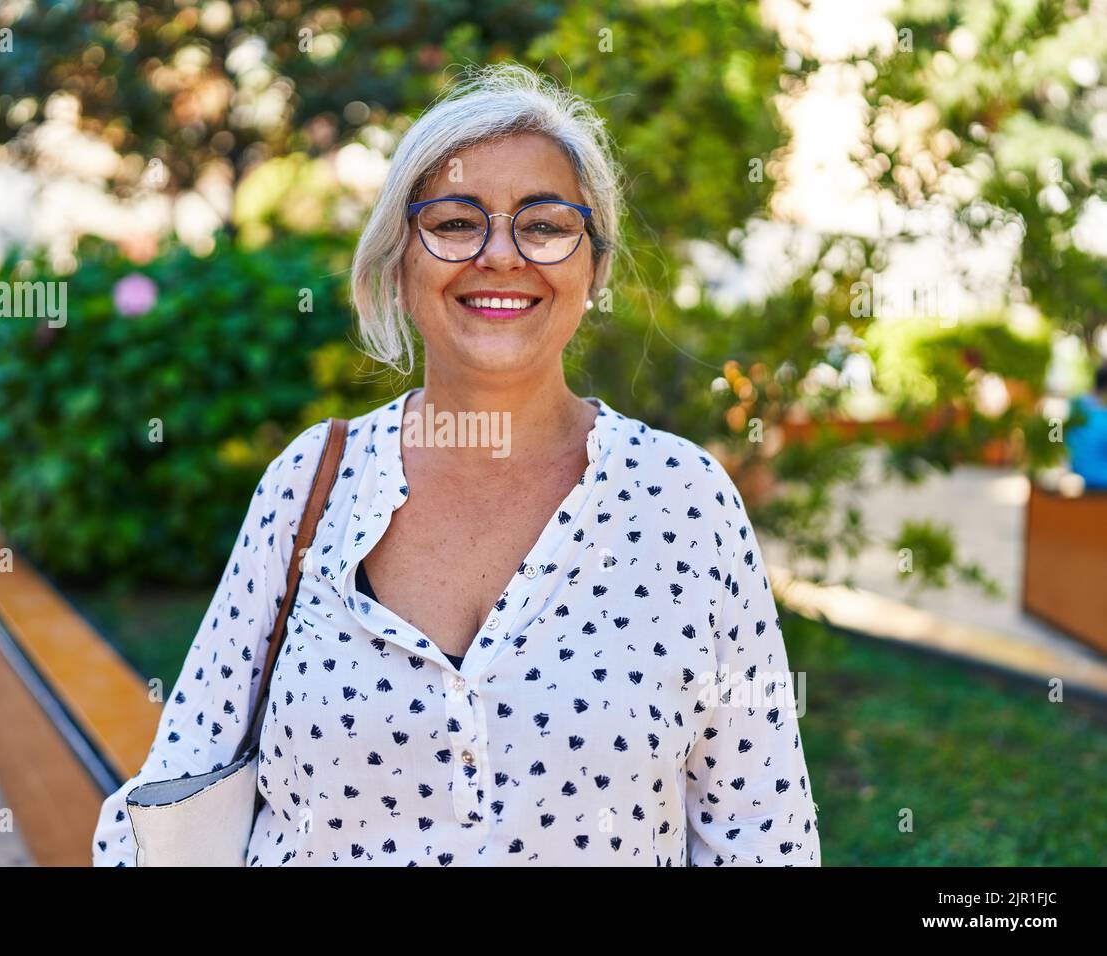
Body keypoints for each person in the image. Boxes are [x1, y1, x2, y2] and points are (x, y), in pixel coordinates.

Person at [91, 63, 821, 866]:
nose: (501, 255)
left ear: (594, 267)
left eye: (544, 225)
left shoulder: (685, 501)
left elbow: (763, 836)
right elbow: (174, 785)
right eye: (455, 221)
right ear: (401, 264)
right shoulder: (311, 481)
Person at [1067, 361, 1107, 490]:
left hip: (1077, 476)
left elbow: (1055, 429)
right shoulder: (1102, 417)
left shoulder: (1076, 404)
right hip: (1100, 483)